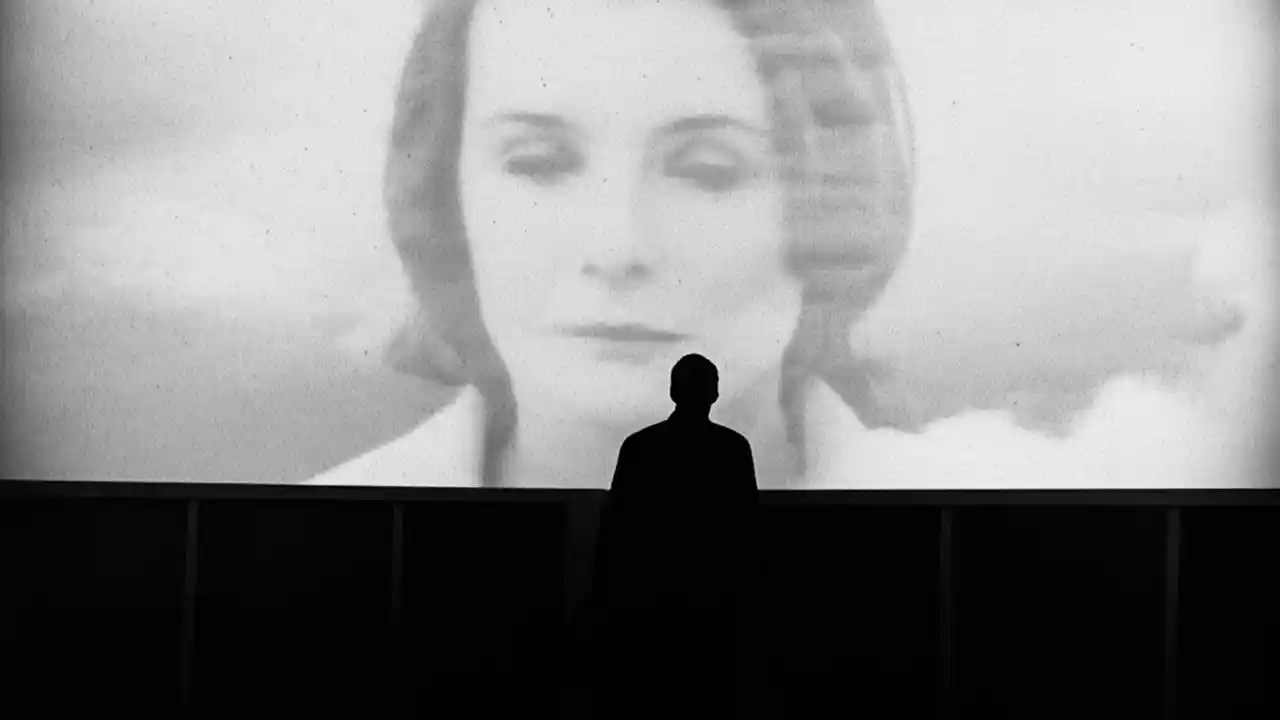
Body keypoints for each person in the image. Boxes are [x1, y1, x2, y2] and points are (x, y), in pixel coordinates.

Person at [308, 0, 916, 489]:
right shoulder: (317, 540)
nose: (616, 246)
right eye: (538, 163)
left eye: (707, 171)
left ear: (836, 194)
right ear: (447, 193)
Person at [588, 353, 760, 717]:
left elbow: (617, 527)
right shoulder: (733, 449)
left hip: (648, 601)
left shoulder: (639, 446)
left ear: (672, 391)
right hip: (715, 600)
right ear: (715, 393)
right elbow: (746, 528)